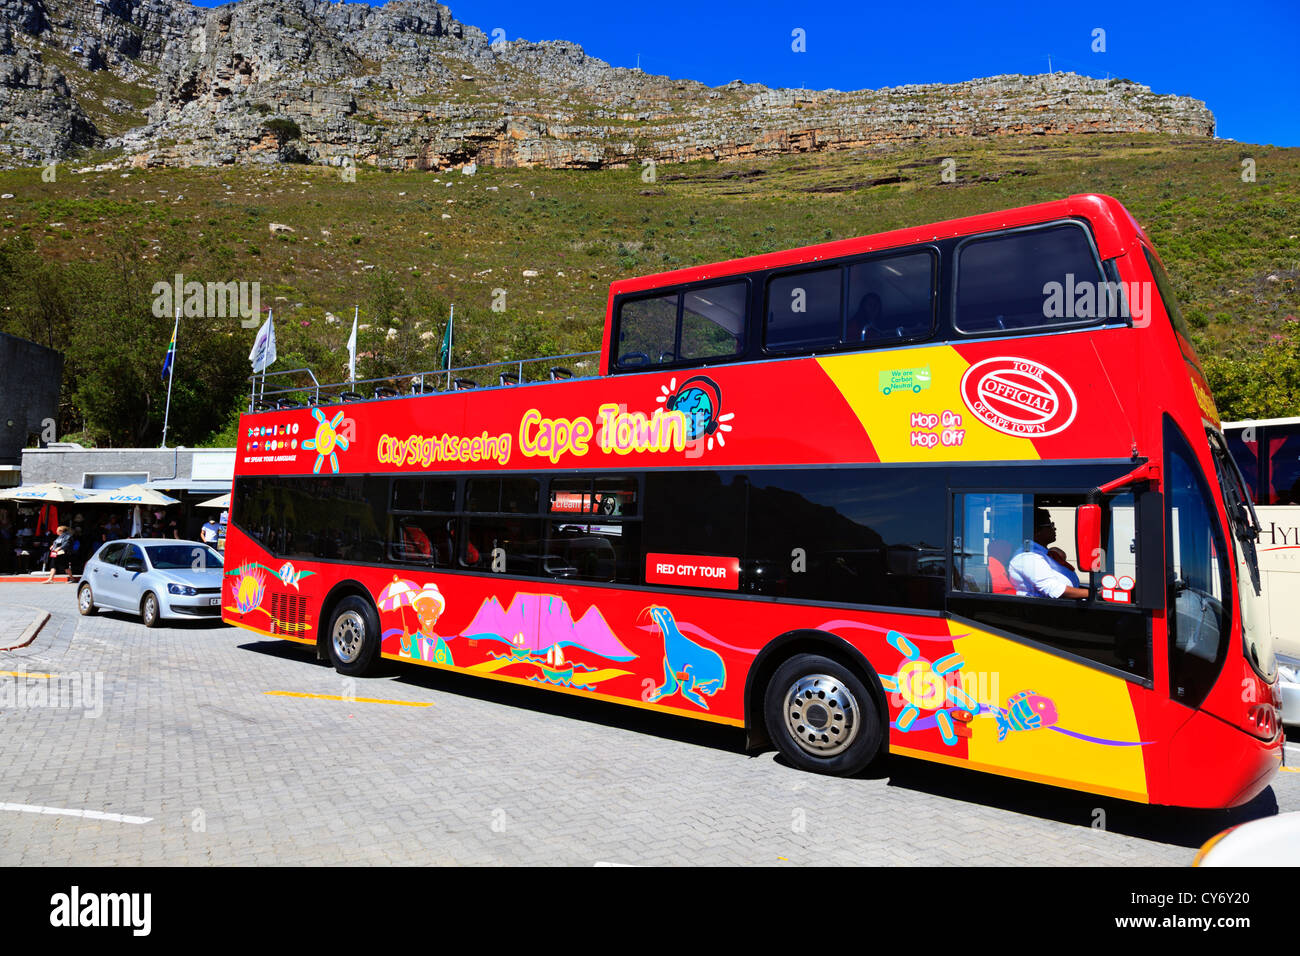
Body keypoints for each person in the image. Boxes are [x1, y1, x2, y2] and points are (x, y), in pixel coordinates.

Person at [1008, 509, 1088, 599]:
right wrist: (1094, 594)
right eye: (1050, 525)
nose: (1054, 528)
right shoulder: (1027, 557)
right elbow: (1054, 590)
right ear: (1036, 531)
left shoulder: (1042, 553)